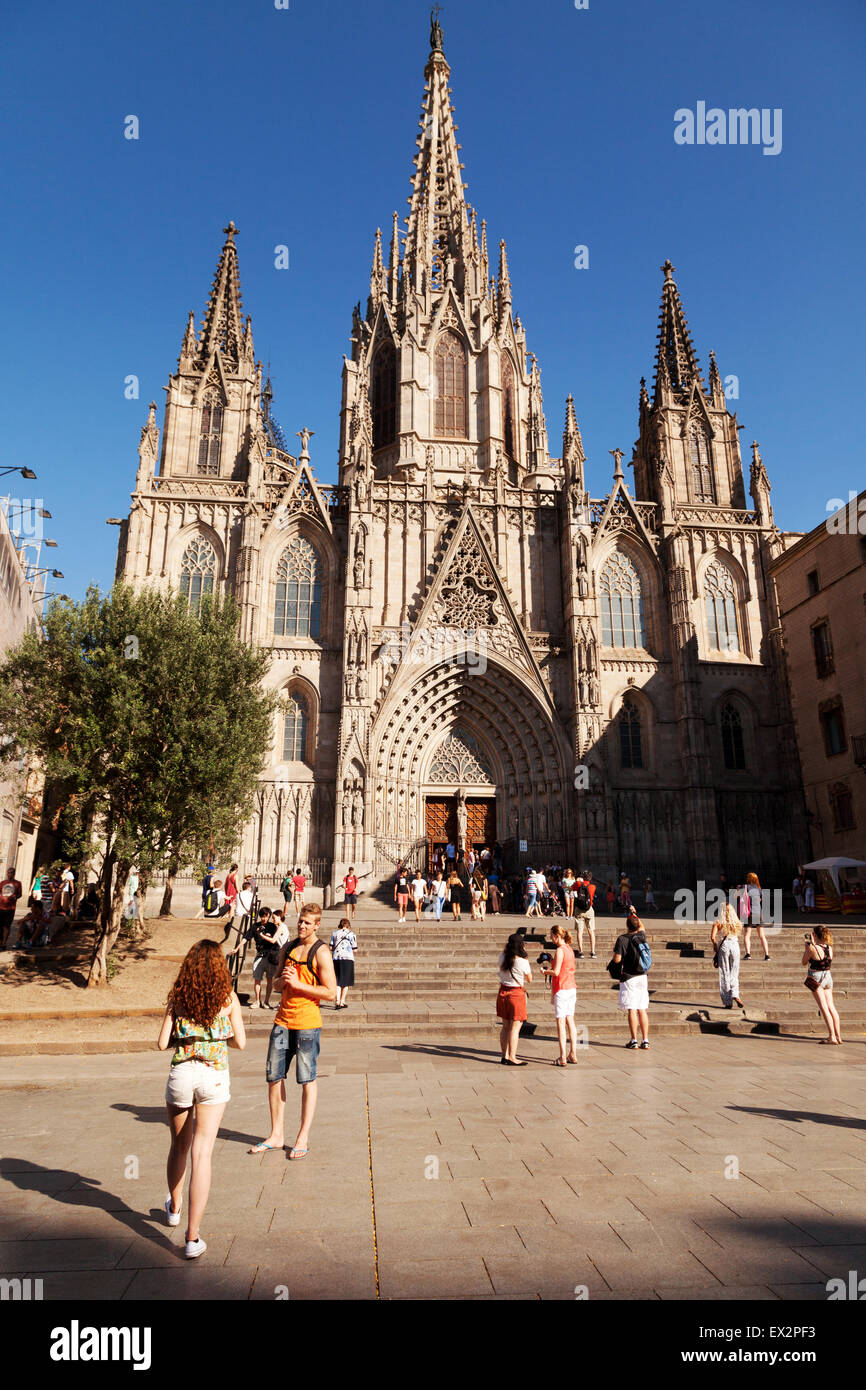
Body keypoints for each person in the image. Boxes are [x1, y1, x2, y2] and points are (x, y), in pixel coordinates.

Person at [157, 939, 246, 1259]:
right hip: (213, 1076)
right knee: (202, 1153)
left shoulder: (178, 999)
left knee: (178, 1145)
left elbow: (161, 1042)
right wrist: (216, 1037)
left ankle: (174, 1206)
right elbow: (242, 1042)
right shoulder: (228, 998)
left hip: (181, 1074)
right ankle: (192, 1237)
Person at [249, 903, 337, 1159]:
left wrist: (299, 984)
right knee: (274, 1077)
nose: (302, 926)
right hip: (282, 1021)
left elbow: (331, 992)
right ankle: (276, 1134)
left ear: (317, 925)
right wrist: (283, 981)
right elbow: (275, 984)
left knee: (307, 1080)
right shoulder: (288, 948)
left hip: (307, 1023)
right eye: (300, 922)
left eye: (308, 923)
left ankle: (302, 1136)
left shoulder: (321, 952)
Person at [611, 913, 651, 1049]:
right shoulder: (641, 936)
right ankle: (645, 1040)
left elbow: (617, 959)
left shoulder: (622, 939)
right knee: (642, 1009)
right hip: (642, 976)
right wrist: (635, 916)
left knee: (632, 1009)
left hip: (629, 977)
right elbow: (642, 927)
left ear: (627, 926)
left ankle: (634, 1040)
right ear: (637, 924)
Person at [540, 923, 578, 1066]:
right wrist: (551, 960)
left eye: (551, 936)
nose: (550, 938)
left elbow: (555, 972)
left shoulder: (560, 950)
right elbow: (563, 965)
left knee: (561, 1024)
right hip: (571, 987)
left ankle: (562, 1057)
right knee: (571, 1021)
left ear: (557, 936)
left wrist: (545, 971)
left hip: (561, 988)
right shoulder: (569, 949)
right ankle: (573, 1053)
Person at [497, 932, 532, 1065]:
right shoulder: (522, 961)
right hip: (516, 994)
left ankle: (504, 1055)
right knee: (515, 1027)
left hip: (502, 992)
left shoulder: (502, 957)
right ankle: (512, 1056)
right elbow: (529, 979)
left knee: (505, 1026)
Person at [803, 926, 841, 1044]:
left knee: (824, 1007)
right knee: (831, 1007)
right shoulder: (829, 948)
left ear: (814, 935)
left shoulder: (812, 948)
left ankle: (832, 1036)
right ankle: (838, 1036)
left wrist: (807, 948)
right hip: (828, 977)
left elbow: (804, 962)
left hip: (816, 978)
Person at [710, 903, 743, 1010]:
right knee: (734, 971)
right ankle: (735, 994)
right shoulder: (737, 922)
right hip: (735, 945)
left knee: (724, 973)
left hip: (724, 946)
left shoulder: (718, 922)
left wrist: (715, 947)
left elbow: (712, 937)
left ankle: (728, 1002)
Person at [330, 916, 357, 1009]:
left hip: (336, 958)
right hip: (348, 959)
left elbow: (330, 947)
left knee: (337, 980)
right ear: (348, 926)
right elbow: (355, 949)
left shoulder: (335, 933)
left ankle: (337, 1001)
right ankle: (342, 1001)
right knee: (346, 982)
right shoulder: (352, 934)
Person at [743, 872, 769, 961]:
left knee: (747, 934)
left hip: (749, 913)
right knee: (762, 935)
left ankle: (748, 954)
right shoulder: (758, 888)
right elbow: (761, 898)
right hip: (758, 912)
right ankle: (767, 955)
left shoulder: (745, 887)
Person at [573, 871, 597, 958]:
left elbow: (570, 889)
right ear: (590, 878)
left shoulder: (578, 884)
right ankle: (593, 952)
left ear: (583, 877)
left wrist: (577, 881)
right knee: (591, 931)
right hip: (589, 909)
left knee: (580, 931)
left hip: (579, 910)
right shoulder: (593, 886)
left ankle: (581, 952)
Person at [0, 867, 23, 947]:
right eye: (9, 872)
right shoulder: (2, 883)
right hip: (1, 907)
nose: (10, 874)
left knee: (7, 926)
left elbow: (20, 894)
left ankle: (4, 943)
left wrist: (15, 897)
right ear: (7, 873)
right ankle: (0, 941)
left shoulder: (18, 883)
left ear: (14, 874)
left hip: (10, 908)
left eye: (12, 873)